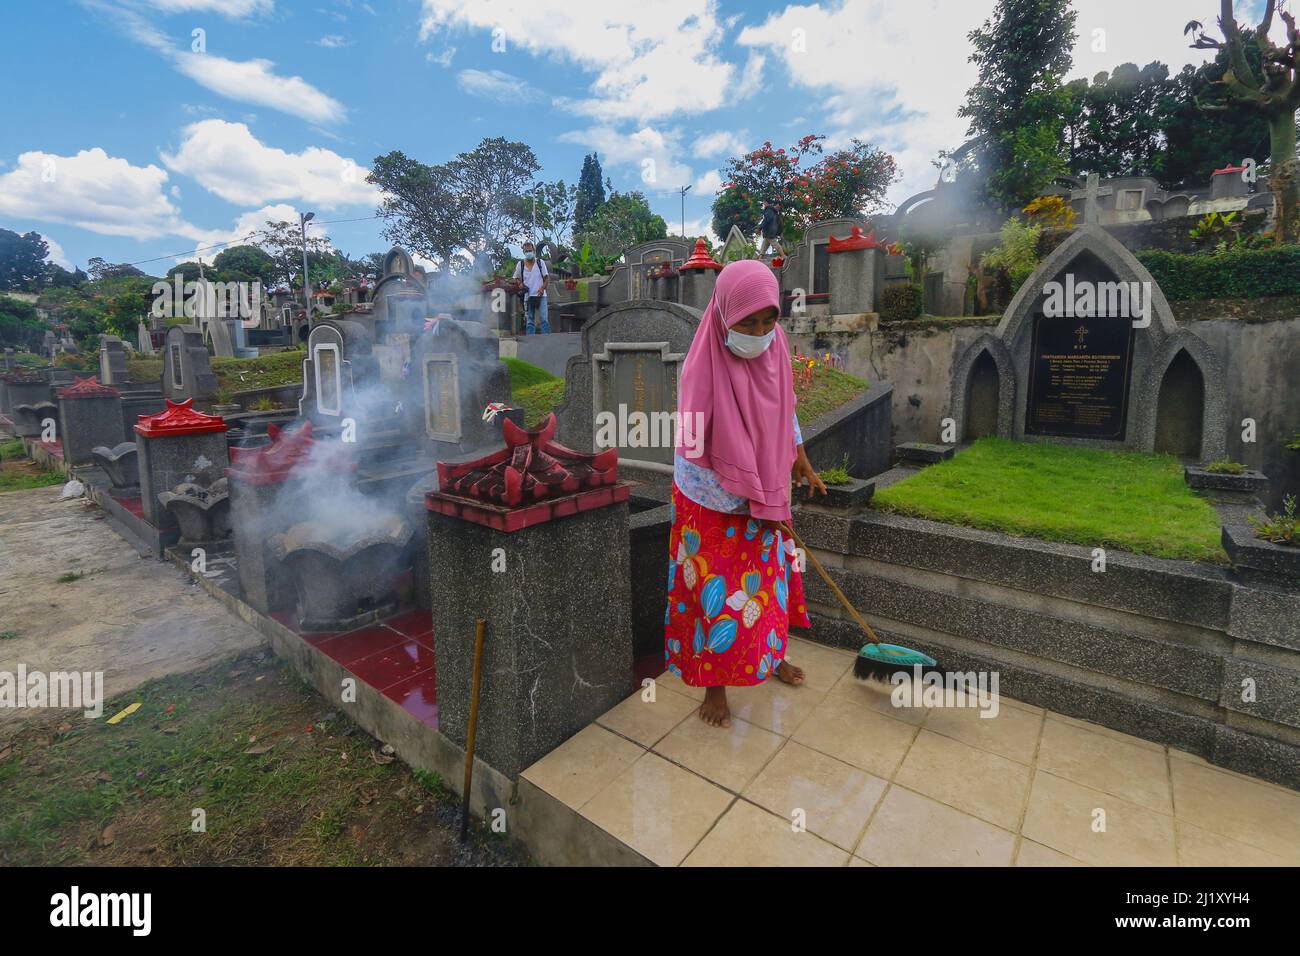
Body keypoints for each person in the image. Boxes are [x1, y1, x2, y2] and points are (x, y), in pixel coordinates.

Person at [666, 259, 827, 728]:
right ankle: (715, 685)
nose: (759, 331)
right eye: (748, 322)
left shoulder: (773, 345)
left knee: (768, 584)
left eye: (769, 319)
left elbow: (784, 407)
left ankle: (770, 656)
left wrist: (799, 455)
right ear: (723, 317)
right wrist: (746, 498)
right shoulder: (701, 369)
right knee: (716, 591)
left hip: (768, 488)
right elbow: (696, 448)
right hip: (710, 498)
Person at [512, 241, 549, 334]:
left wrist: (542, 288)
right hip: (528, 296)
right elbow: (516, 278)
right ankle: (530, 341)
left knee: (544, 319)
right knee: (529, 320)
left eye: (530, 250)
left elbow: (547, 278)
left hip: (541, 295)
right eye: (527, 251)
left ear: (534, 250)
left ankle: (547, 340)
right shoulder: (520, 264)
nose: (529, 252)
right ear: (524, 252)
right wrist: (520, 283)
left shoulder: (540, 263)